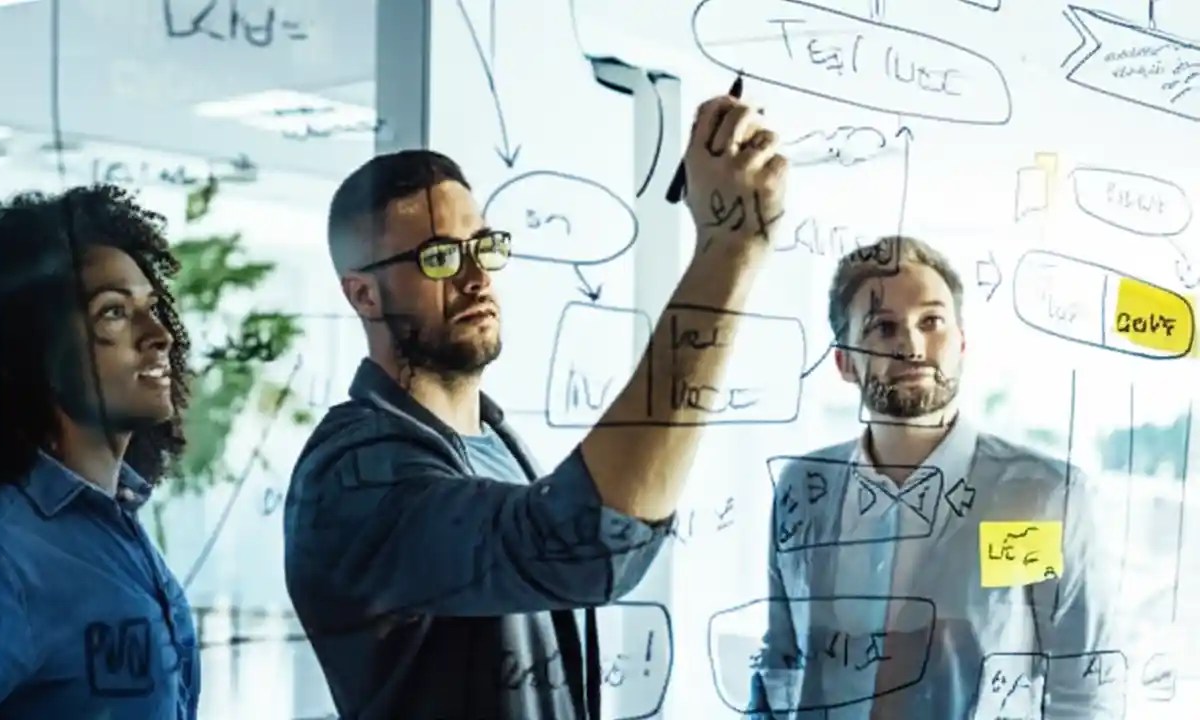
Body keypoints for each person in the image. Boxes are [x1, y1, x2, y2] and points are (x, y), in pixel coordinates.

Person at [284, 92, 788, 719]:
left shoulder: (494, 444)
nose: (475, 277)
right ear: (363, 294)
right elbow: (591, 543)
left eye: (482, 246)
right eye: (439, 257)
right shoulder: (351, 476)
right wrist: (729, 248)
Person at [747, 237, 1121, 719]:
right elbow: (780, 662)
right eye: (883, 327)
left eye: (932, 321)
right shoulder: (802, 487)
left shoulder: (1043, 497)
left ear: (962, 343)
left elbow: (1083, 692)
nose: (912, 346)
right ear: (844, 362)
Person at [0, 184, 200, 719]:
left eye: (153, 310)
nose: (159, 336)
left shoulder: (118, 518)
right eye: (113, 313)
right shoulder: (1, 553)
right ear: (36, 345)